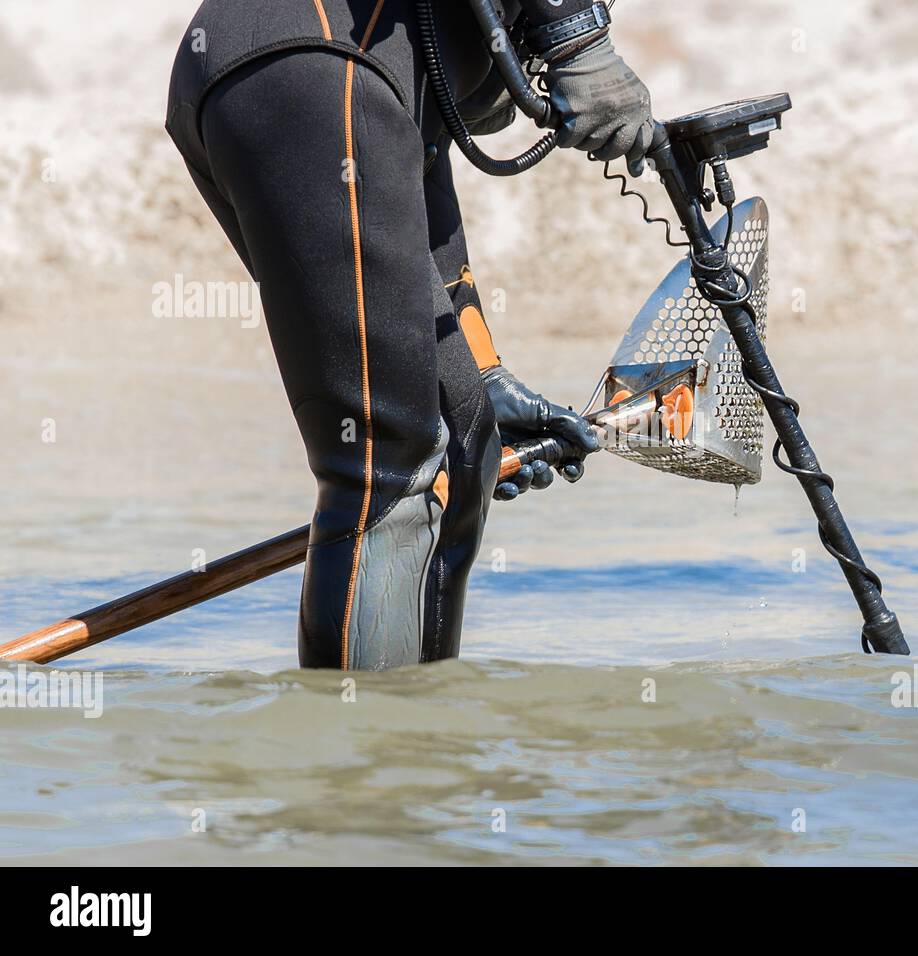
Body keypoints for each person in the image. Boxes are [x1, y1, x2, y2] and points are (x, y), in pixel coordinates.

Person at [165, 1, 653, 669]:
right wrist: (577, 39)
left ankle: (426, 723)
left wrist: (484, 377)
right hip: (309, 70)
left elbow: (420, 176)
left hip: (317, 78)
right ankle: (363, 733)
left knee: (466, 445)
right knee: (387, 470)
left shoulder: (412, 53)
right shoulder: (372, 59)